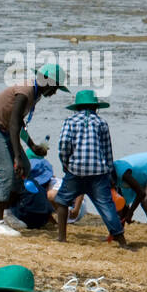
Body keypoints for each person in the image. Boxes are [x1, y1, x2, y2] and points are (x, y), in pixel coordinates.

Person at [0, 62, 69, 235]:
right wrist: (16, 156)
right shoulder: (25, 92)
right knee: (7, 171)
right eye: (54, 87)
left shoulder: (35, 93)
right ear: (46, 80)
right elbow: (14, 125)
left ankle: (7, 212)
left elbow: (18, 123)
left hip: (2, 129)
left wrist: (32, 146)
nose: (54, 93)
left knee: (25, 166)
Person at [54, 89, 127, 246]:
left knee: (62, 201)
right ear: (95, 108)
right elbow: (108, 151)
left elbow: (63, 146)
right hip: (98, 172)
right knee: (107, 206)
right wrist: (109, 172)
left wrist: (65, 164)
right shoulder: (101, 123)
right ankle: (121, 241)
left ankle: (62, 237)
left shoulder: (70, 121)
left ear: (77, 107)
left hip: (76, 170)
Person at [8, 152, 58, 230]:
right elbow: (47, 208)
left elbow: (11, 199)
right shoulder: (39, 186)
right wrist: (54, 223)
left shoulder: (18, 183)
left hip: (25, 219)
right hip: (42, 220)